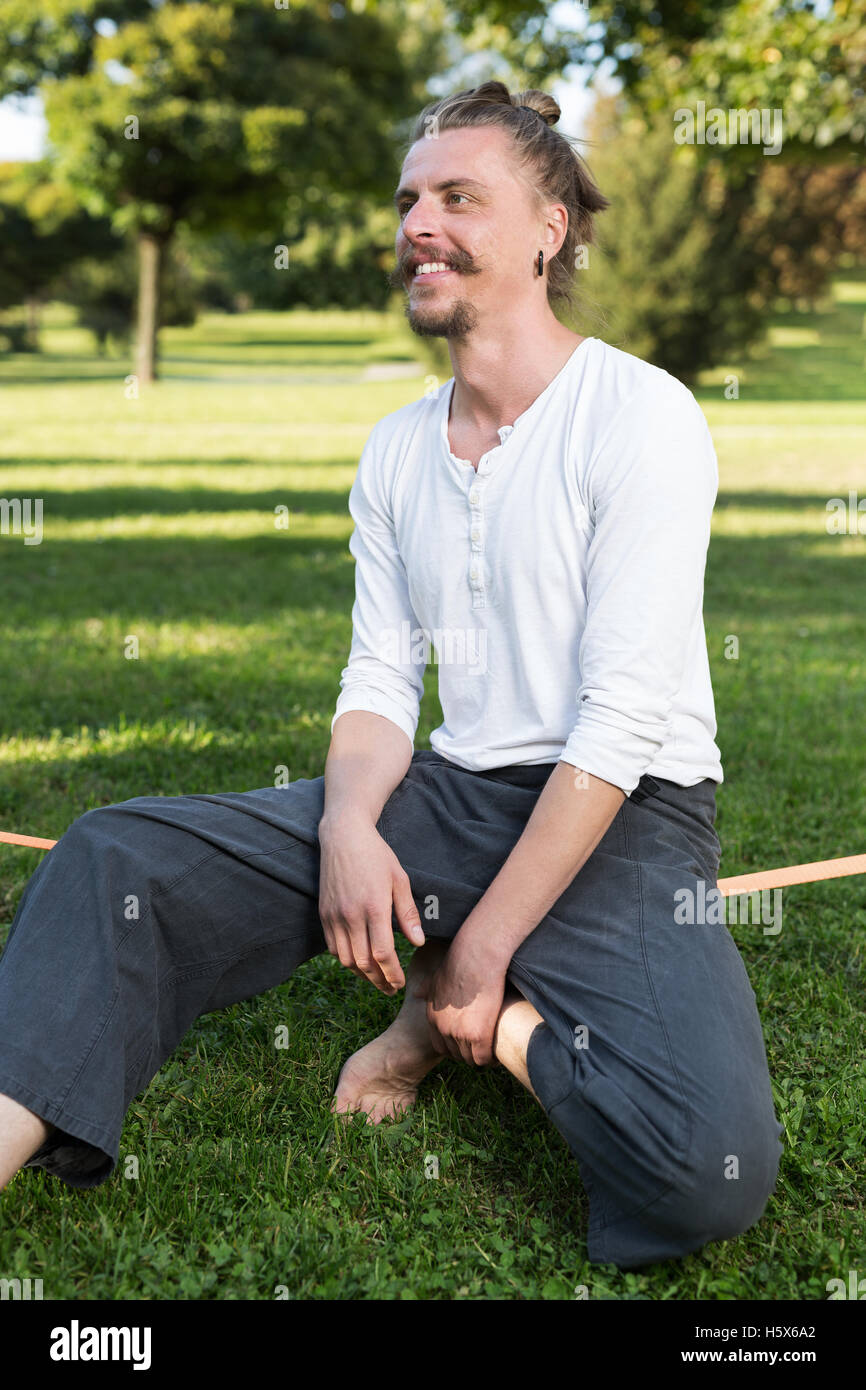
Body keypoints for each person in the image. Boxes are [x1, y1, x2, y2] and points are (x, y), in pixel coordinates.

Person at [0, 80, 783, 1270]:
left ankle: (463, 1012)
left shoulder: (641, 415)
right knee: (115, 855)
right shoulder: (398, 446)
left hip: (624, 816)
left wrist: (471, 969)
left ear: (546, 230)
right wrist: (355, 829)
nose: (418, 222)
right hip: (447, 800)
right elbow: (377, 677)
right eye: (409, 198)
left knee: (702, 1167)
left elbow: (618, 721)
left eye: (458, 197)